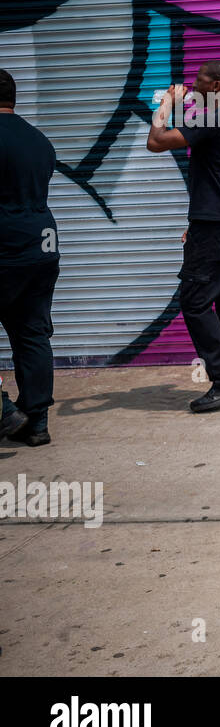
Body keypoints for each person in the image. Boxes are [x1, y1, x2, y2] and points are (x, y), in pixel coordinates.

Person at [146, 60, 220, 412]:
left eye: (199, 81)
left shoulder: (213, 116)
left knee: (194, 302)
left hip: (216, 227)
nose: (192, 87)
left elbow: (156, 141)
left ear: (217, 87)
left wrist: (167, 106)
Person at [0, 68, 60, 446]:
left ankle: (5, 412)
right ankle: (36, 423)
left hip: (4, 246)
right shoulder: (39, 140)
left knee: (30, 333)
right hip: (43, 245)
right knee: (32, 334)